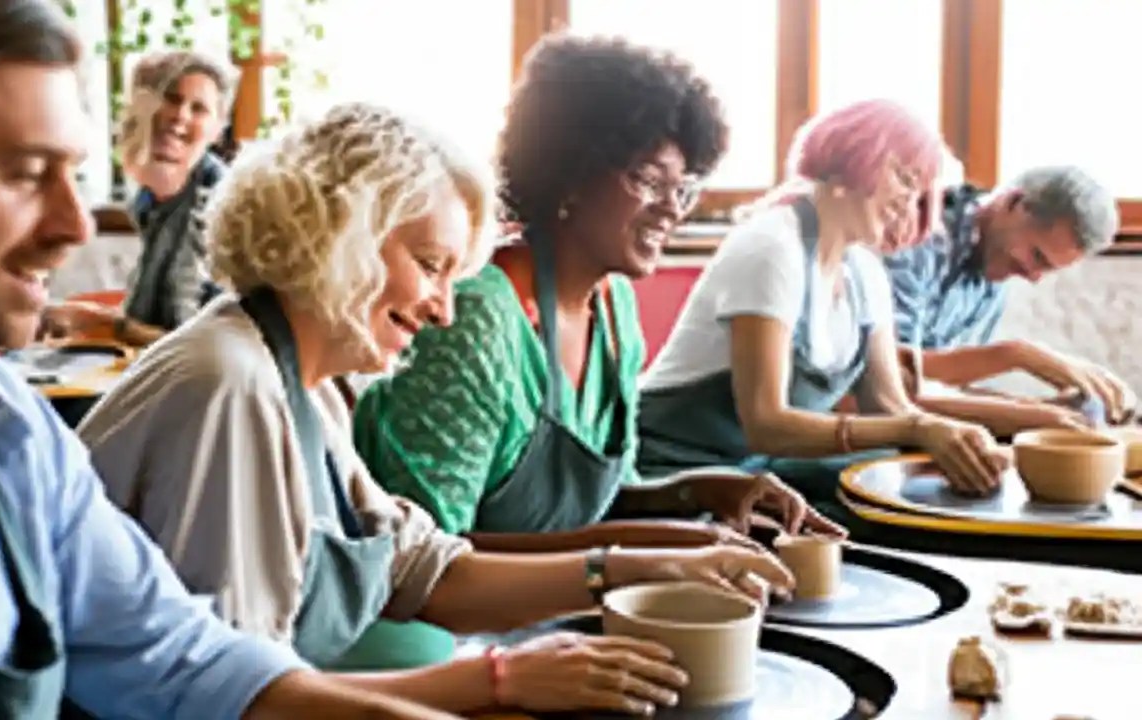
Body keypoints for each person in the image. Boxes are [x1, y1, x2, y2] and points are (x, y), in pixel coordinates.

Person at [76, 101, 794, 716]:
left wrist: (639, 567)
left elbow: (422, 567)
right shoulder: (228, 383)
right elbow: (240, 699)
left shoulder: (302, 374)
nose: (446, 311)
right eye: (429, 265)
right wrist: (500, 678)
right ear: (336, 236)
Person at [0, 2, 462, 718]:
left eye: (73, 174)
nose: (73, 226)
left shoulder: (6, 425)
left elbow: (186, 660)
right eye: (25, 174)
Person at [348, 33, 841, 669]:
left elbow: (602, 497)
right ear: (571, 173)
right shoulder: (479, 317)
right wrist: (644, 546)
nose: (672, 209)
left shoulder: (613, 310)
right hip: (419, 635)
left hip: (545, 622)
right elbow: (432, 559)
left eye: (683, 187)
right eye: (647, 179)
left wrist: (701, 493)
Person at [636, 99, 1012, 506]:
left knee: (909, 485)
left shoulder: (864, 272)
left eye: (920, 191)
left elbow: (888, 407)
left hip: (758, 466)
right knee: (867, 513)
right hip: (677, 466)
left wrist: (959, 441)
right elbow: (766, 423)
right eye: (904, 178)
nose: (909, 203)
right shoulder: (772, 247)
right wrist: (920, 429)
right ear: (850, 160)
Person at [884, 165, 1134, 432]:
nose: (1034, 277)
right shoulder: (917, 235)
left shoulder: (993, 268)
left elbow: (945, 387)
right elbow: (889, 382)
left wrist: (1043, 409)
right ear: (1013, 202)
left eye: (1049, 269)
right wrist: (1019, 355)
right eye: (1037, 256)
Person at [43, 49, 235, 346]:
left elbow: (193, 347)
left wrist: (103, 323)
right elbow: (151, 321)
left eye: (199, 109)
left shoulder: (218, 207)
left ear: (218, 130)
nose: (179, 116)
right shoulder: (155, 199)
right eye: (171, 98)